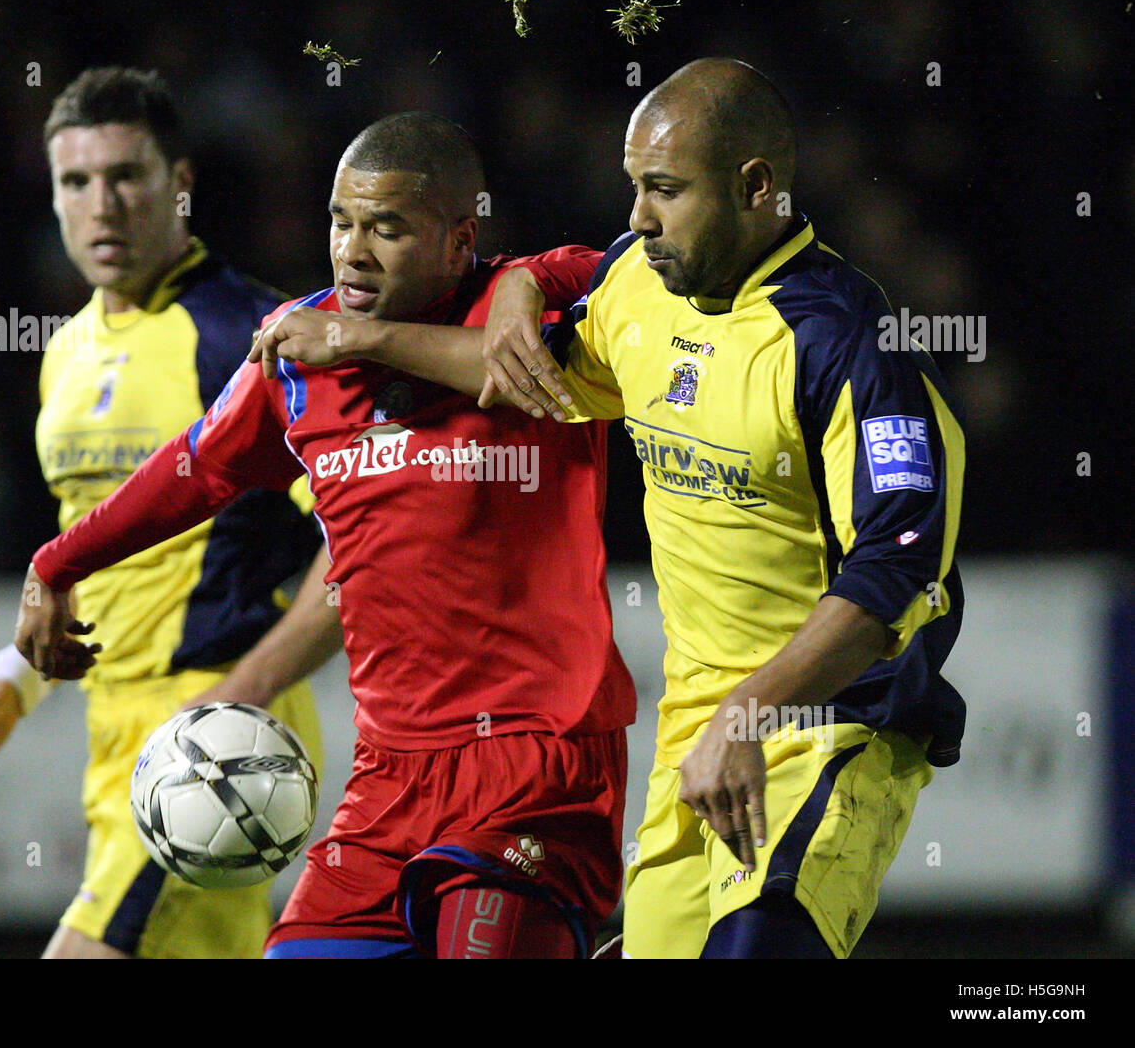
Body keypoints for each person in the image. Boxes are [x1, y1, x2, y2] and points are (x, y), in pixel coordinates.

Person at [266, 59, 967, 959]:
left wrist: (748, 711)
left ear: (756, 187)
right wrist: (372, 332)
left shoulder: (851, 347)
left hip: (831, 721)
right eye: (633, 187)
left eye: (664, 190)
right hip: (698, 732)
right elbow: (532, 370)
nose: (636, 218)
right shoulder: (640, 283)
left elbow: (899, 568)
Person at [15, 111, 637, 959]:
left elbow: (630, 271)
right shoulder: (298, 355)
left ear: (460, 240)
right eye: (342, 222)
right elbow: (193, 470)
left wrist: (523, 277)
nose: (353, 250)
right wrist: (58, 563)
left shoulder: (519, 315)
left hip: (537, 756)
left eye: (388, 228)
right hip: (389, 773)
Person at [0, 67, 336, 959]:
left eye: (128, 175)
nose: (102, 204)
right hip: (115, 738)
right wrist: (13, 681)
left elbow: (362, 540)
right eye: (76, 182)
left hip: (215, 739)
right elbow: (92, 561)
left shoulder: (254, 337)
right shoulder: (67, 350)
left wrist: (249, 692)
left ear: (181, 183)